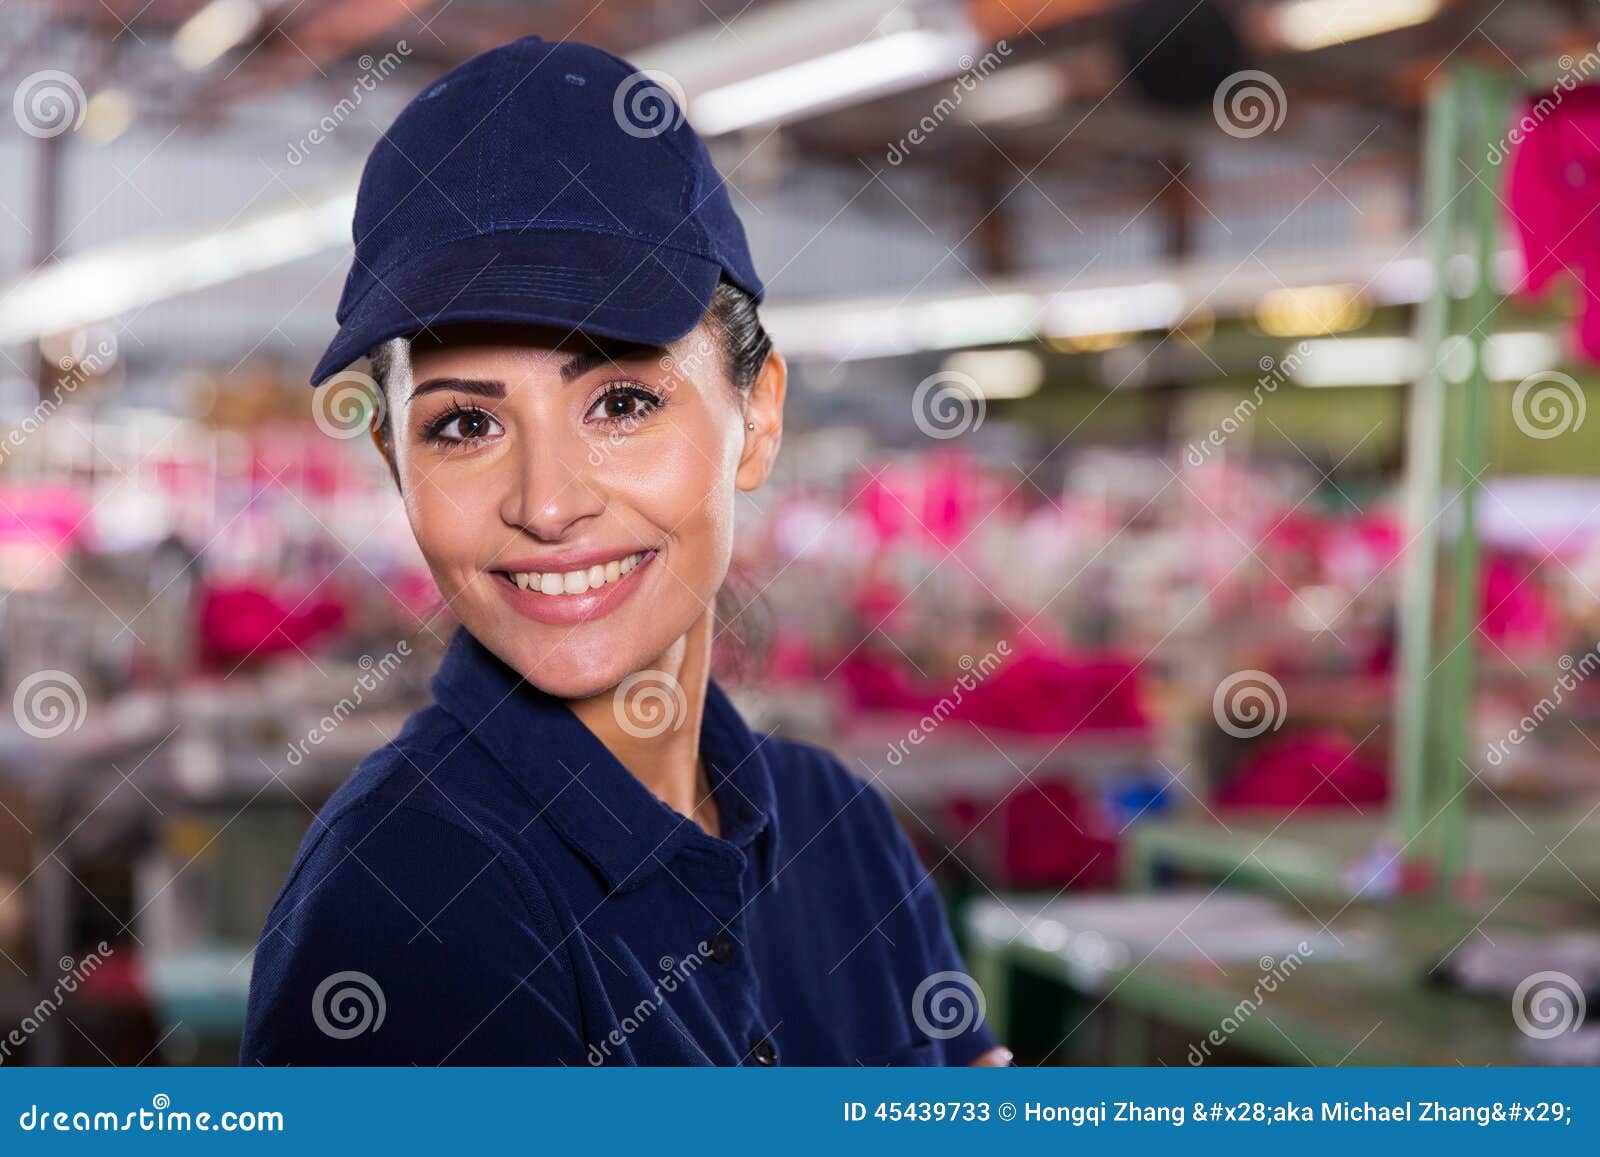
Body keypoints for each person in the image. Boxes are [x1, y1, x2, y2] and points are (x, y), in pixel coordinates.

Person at [240, 35, 1008, 1067]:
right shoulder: (409, 900)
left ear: (759, 412)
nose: (547, 504)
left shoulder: (841, 835)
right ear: (393, 458)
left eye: (622, 400)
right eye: (465, 425)